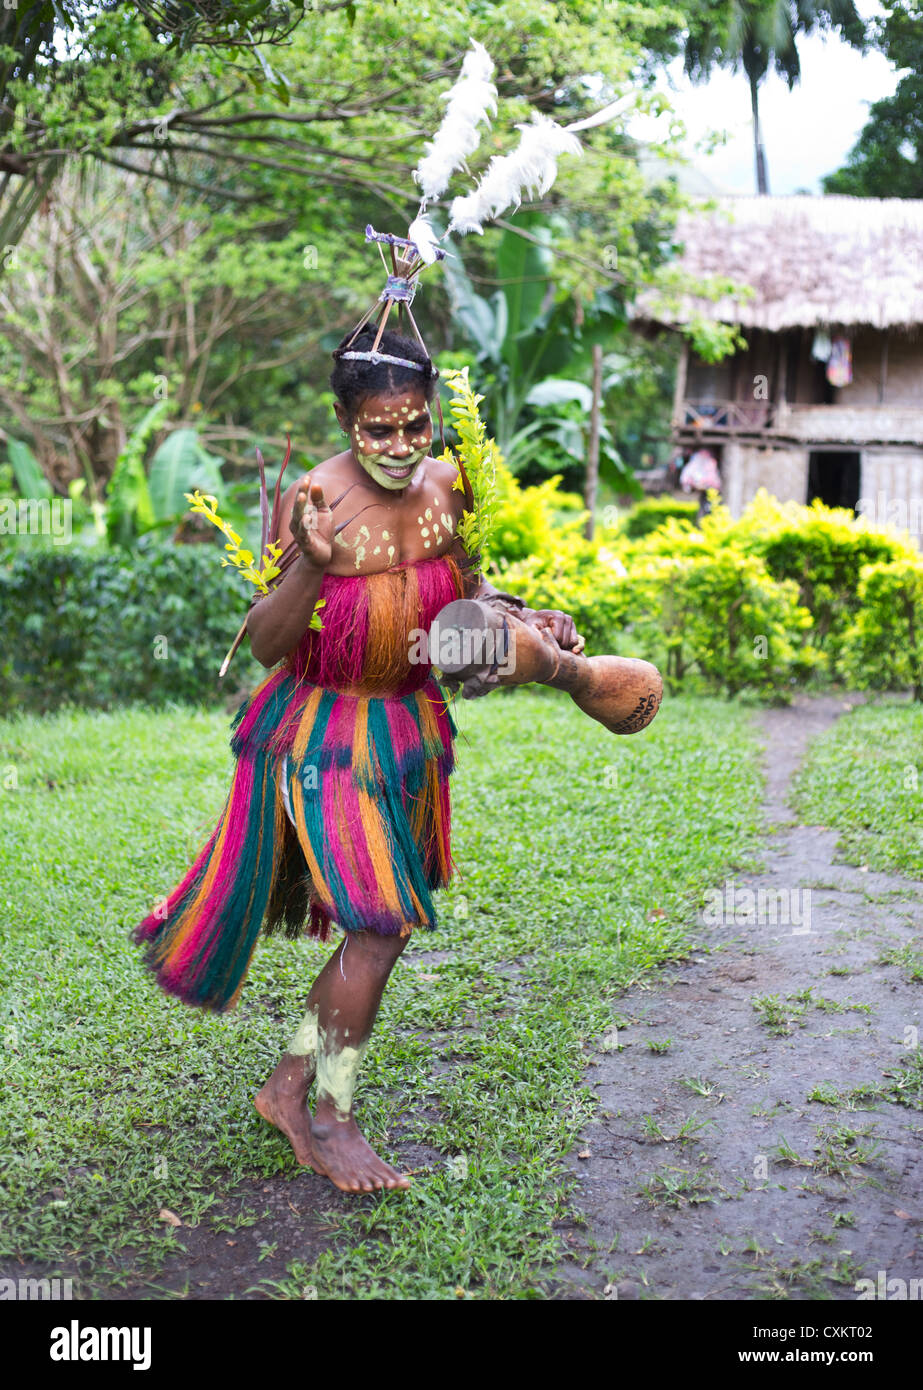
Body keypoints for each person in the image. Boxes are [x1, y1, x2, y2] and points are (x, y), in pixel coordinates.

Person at [135, 324, 582, 1193]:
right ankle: (330, 1118)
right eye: (380, 429)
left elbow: (471, 592)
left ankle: (287, 1088)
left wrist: (526, 623)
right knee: (377, 927)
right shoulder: (313, 500)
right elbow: (266, 640)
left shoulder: (454, 487)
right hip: (322, 740)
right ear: (345, 422)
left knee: (386, 930)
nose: (402, 446)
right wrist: (309, 563)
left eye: (417, 426)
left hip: (410, 733)